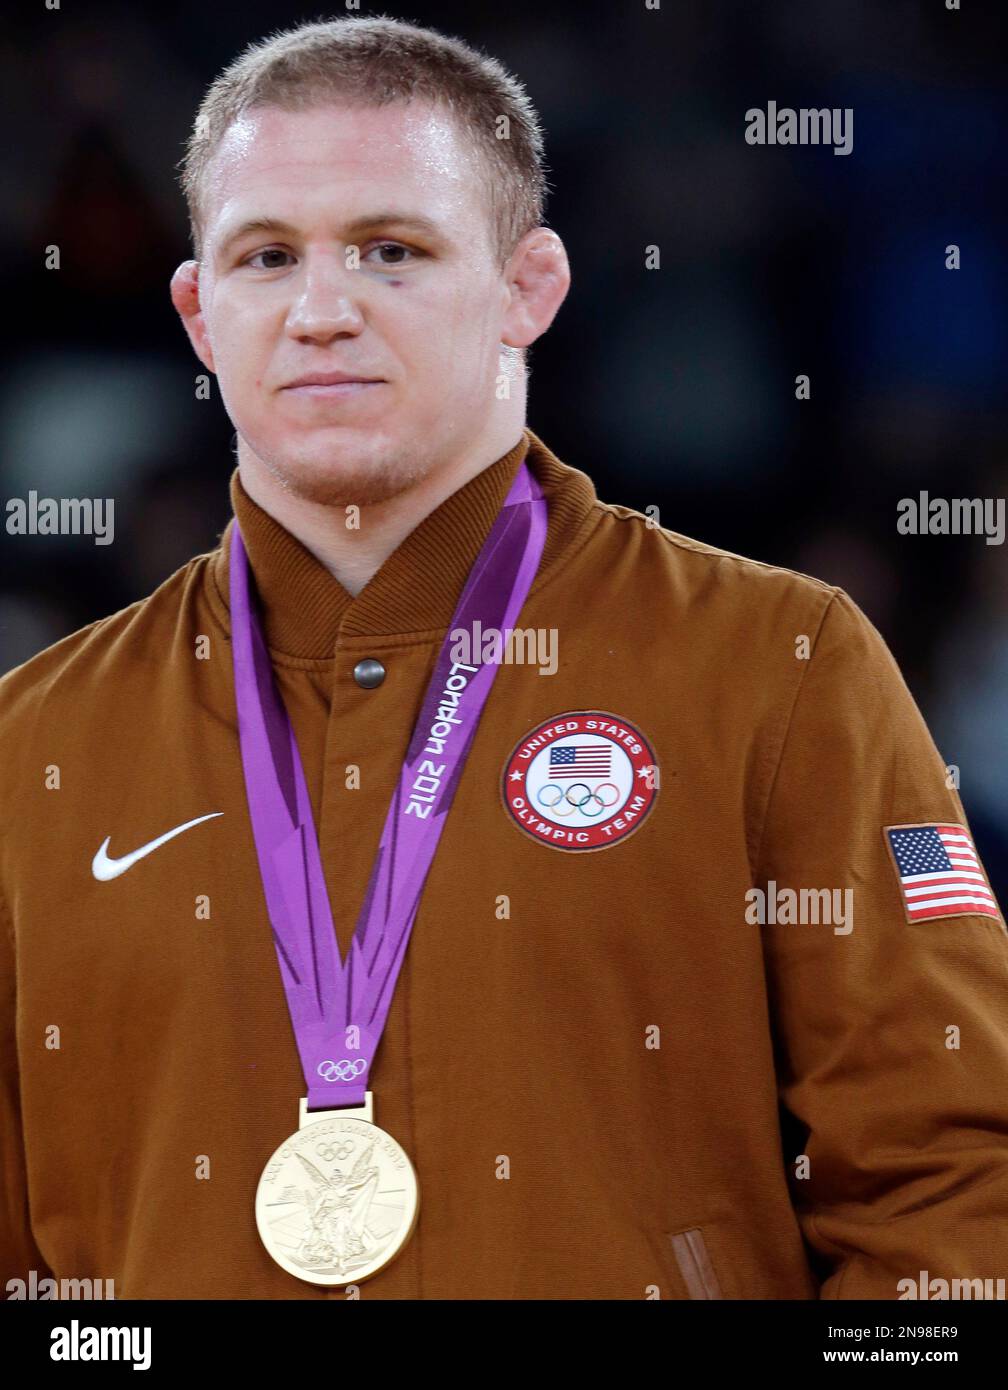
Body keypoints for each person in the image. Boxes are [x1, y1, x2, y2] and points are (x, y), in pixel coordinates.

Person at [2, 15, 1007, 1302]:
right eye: (266, 257)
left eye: (392, 250)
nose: (321, 310)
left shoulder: (778, 665)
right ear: (199, 311)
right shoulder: (33, 742)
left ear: (528, 286)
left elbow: (950, 1179)